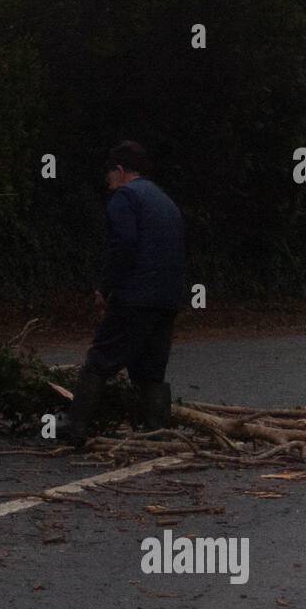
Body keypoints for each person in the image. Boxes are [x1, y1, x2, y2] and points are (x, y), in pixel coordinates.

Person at [60, 141, 186, 446]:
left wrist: (105, 288)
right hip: (168, 297)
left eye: (109, 173)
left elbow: (123, 246)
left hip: (136, 296)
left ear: (119, 170)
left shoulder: (124, 198)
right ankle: (157, 431)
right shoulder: (164, 200)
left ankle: (75, 429)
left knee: (100, 359)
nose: (107, 181)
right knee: (150, 369)